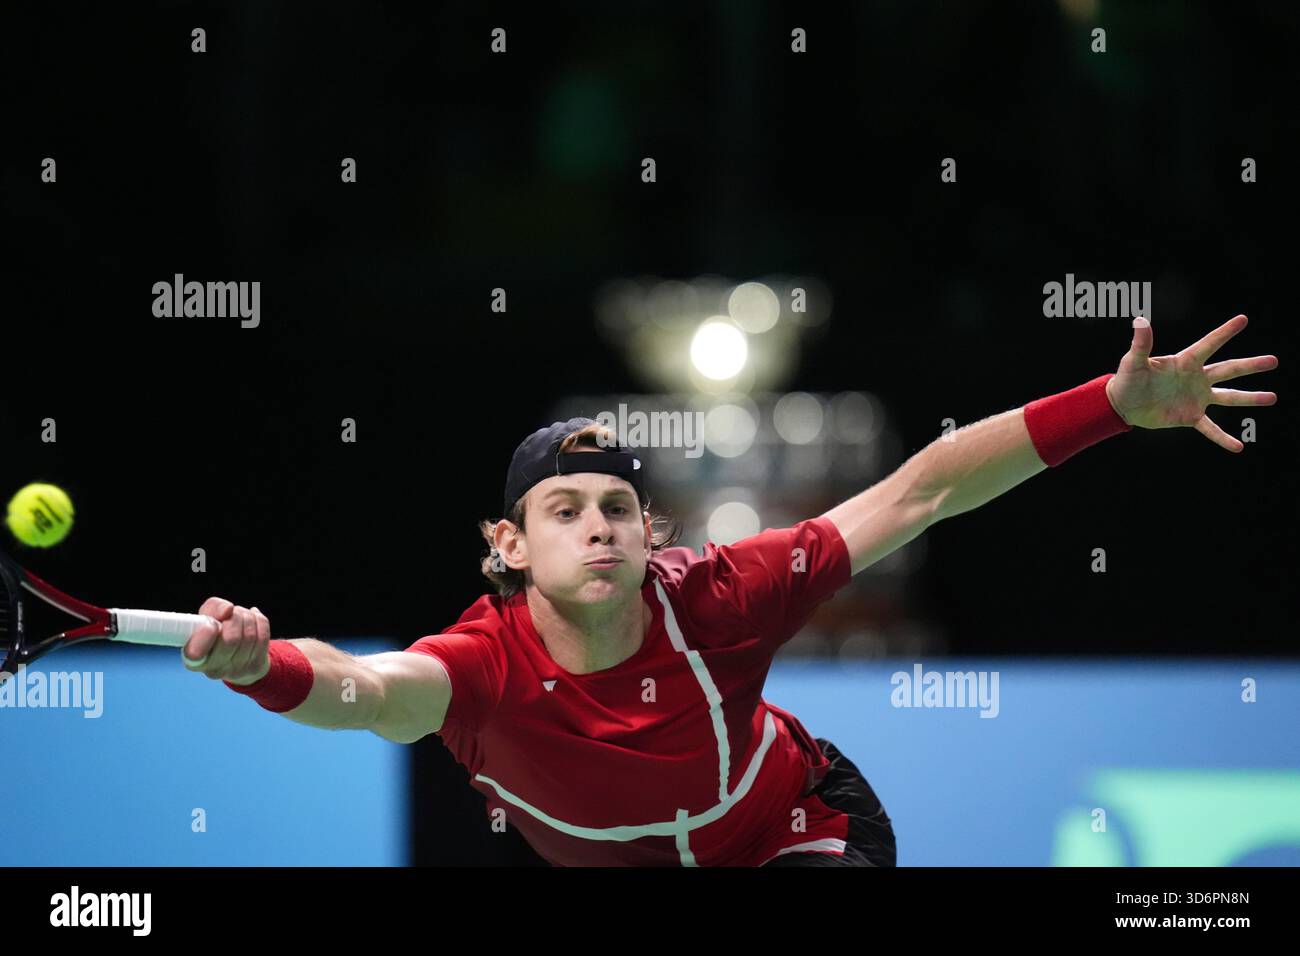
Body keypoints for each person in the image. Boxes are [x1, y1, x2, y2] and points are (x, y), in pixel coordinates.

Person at [183, 313, 1276, 866]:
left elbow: (919, 492)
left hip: (796, 828)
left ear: (651, 531)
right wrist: (257, 666)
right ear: (508, 544)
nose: (597, 525)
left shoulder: (721, 593)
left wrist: (1108, 404)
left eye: (616, 506)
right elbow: (360, 689)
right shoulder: (480, 669)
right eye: (564, 509)